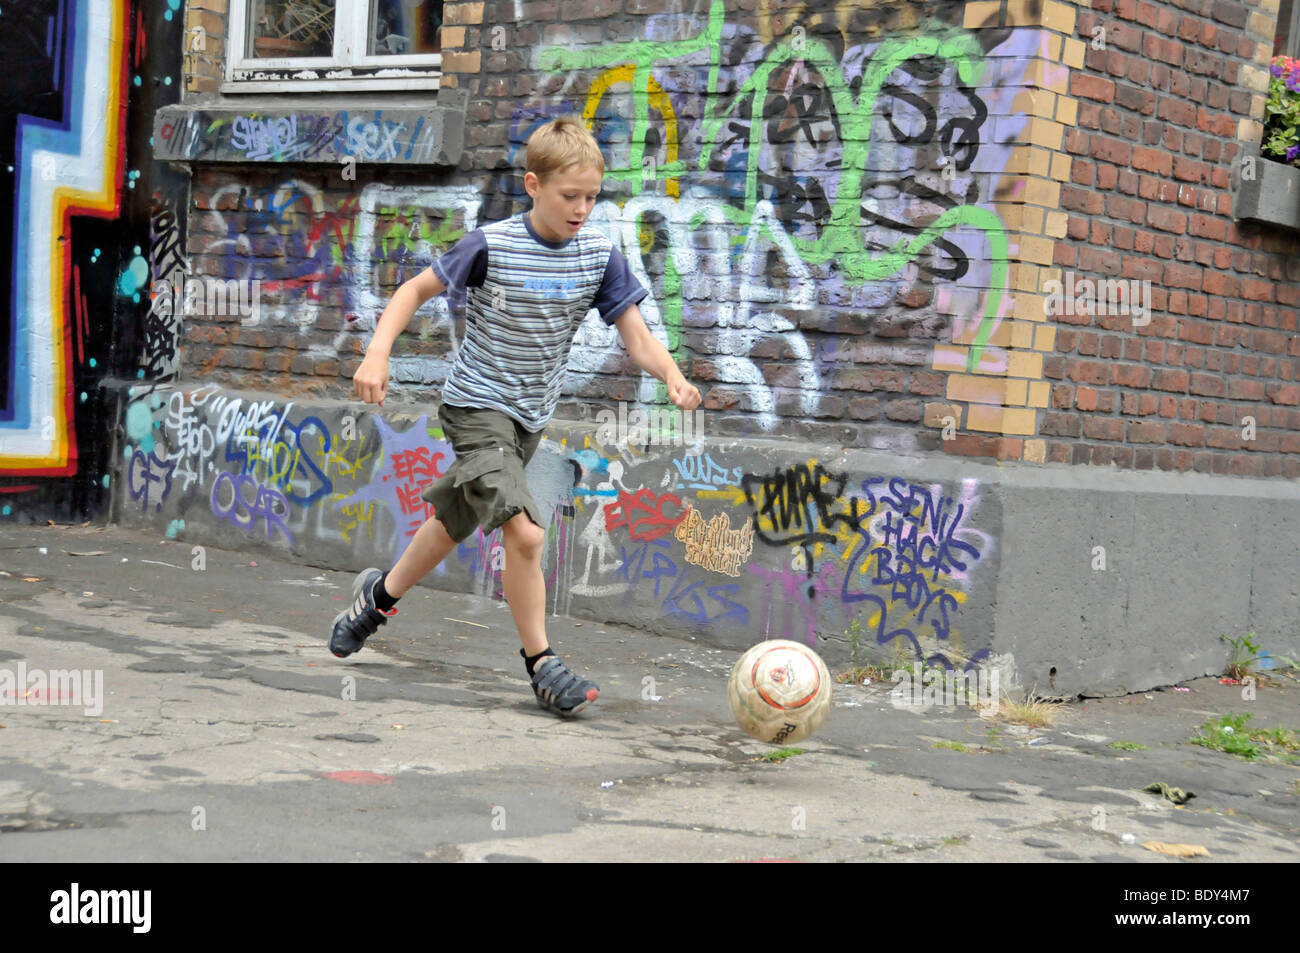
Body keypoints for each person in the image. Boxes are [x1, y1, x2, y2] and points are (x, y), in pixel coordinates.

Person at [329, 116, 702, 716]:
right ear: (533, 184)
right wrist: (376, 355)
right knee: (525, 533)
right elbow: (411, 293)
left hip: (528, 420)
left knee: (454, 519)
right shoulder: (490, 245)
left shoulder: (599, 256)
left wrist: (672, 374)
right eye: (568, 196)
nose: (582, 208)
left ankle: (376, 598)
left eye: (591, 196)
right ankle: (543, 666)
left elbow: (638, 337)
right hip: (476, 406)